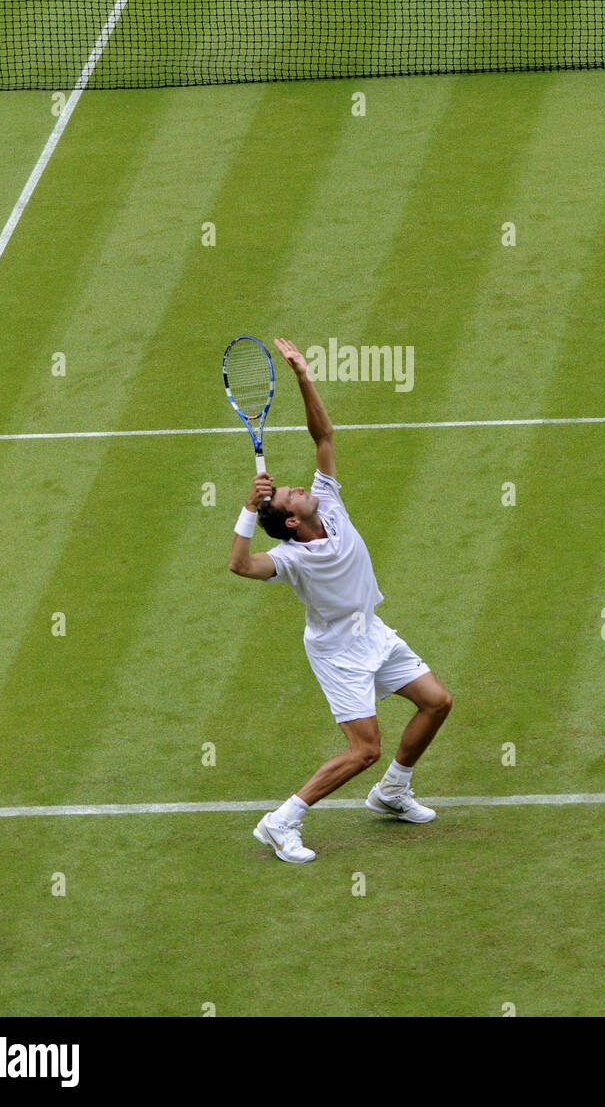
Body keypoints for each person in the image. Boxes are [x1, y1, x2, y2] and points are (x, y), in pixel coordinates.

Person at [228, 337, 452, 864]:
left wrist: (304, 376)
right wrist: (245, 508)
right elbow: (240, 564)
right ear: (289, 522)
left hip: (372, 632)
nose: (300, 490)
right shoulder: (292, 560)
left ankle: (393, 792)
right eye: (289, 496)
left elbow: (322, 434)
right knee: (364, 750)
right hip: (339, 654)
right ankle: (282, 822)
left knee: (437, 702)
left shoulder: (326, 501)